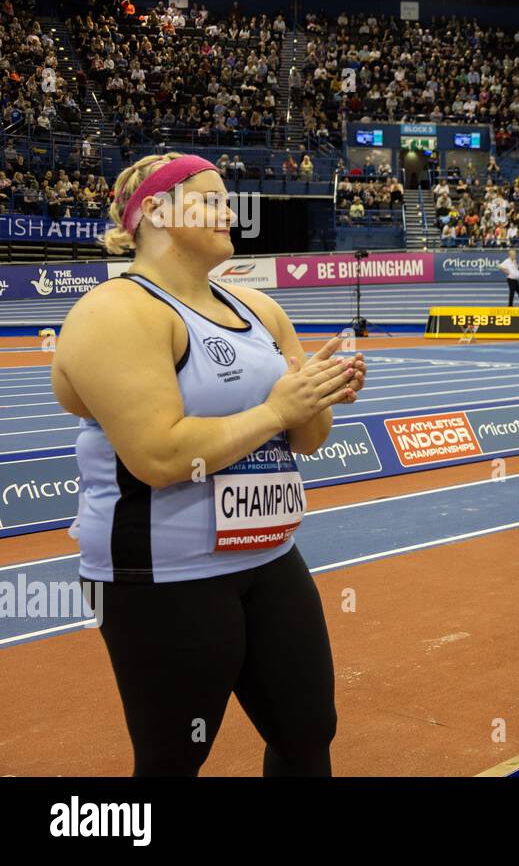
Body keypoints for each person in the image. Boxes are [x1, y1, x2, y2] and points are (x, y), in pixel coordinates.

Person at [50, 153, 368, 775]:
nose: (231, 210)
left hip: (270, 558)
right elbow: (159, 455)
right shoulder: (117, 312)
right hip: (163, 576)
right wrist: (279, 409)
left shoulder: (258, 309)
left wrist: (318, 394)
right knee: (173, 758)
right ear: (154, 213)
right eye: (210, 197)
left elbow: (306, 441)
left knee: (308, 733)